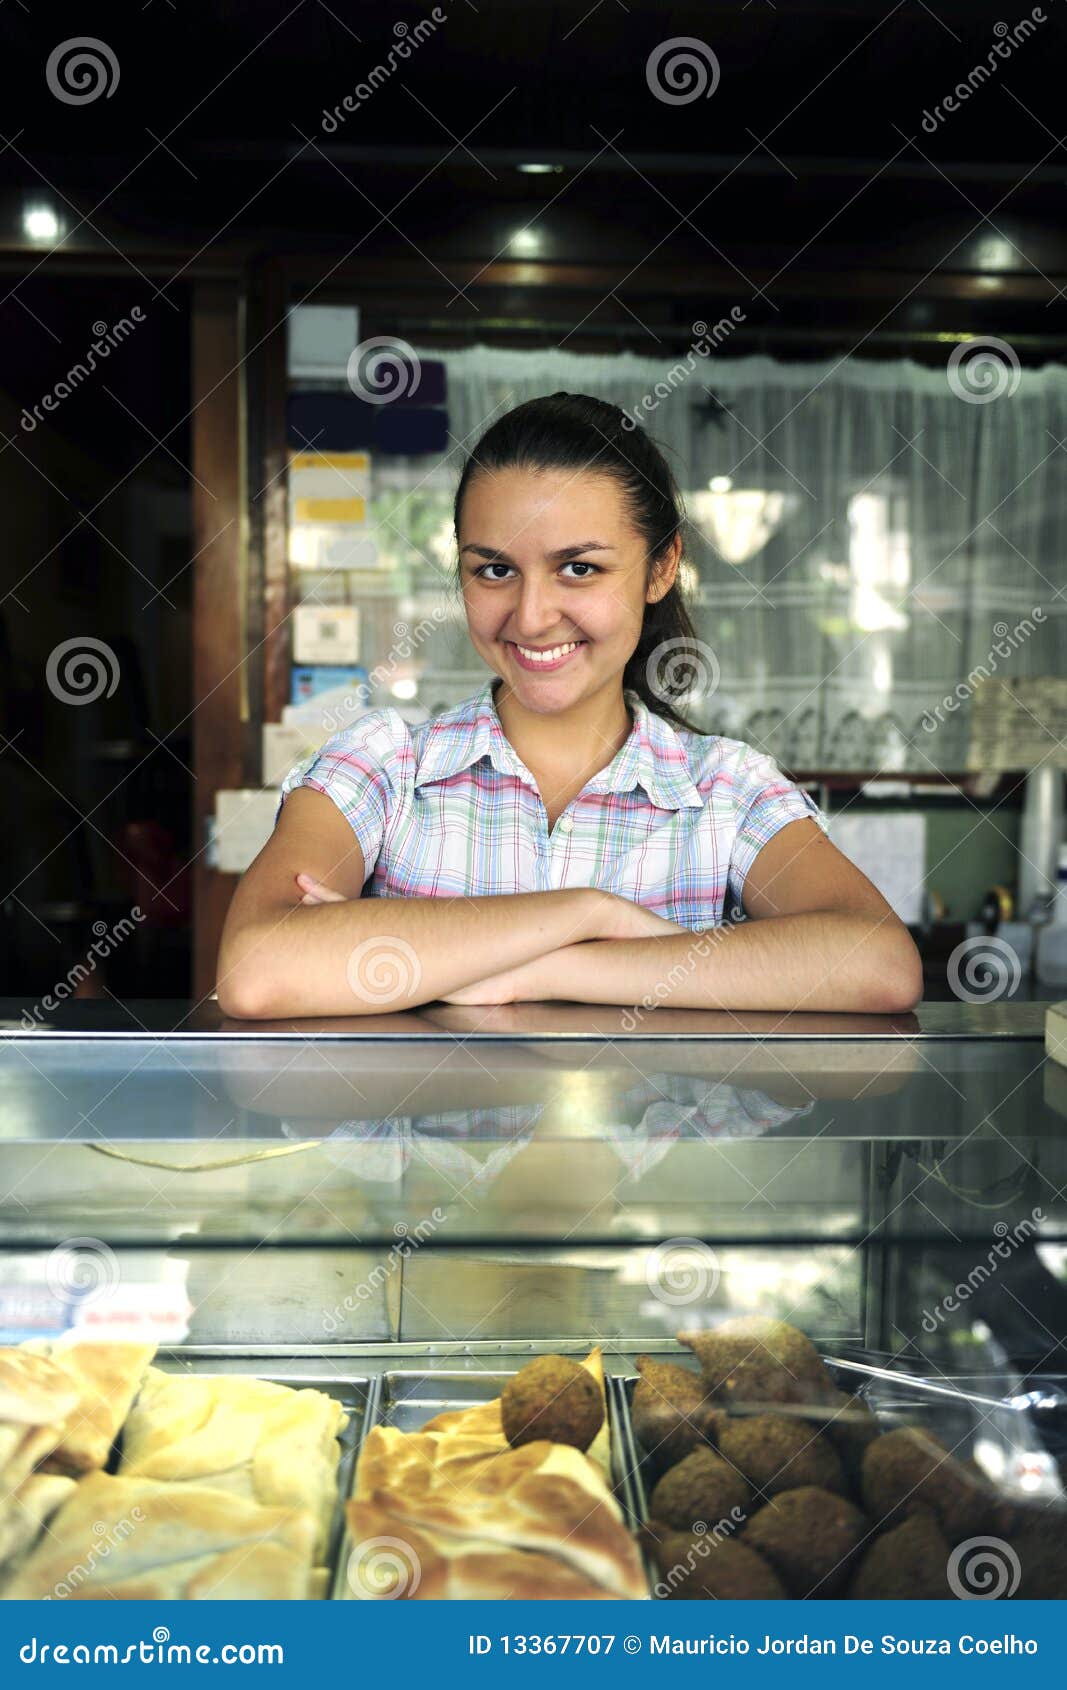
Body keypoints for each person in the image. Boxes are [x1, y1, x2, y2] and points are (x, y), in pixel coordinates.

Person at [216, 393, 921, 1019]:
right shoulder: (381, 765)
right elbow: (257, 972)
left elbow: (877, 966)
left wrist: (540, 968)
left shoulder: (725, 790)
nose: (529, 617)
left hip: (670, 1177)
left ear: (661, 567)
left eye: (578, 568)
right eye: (494, 570)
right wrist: (591, 913)